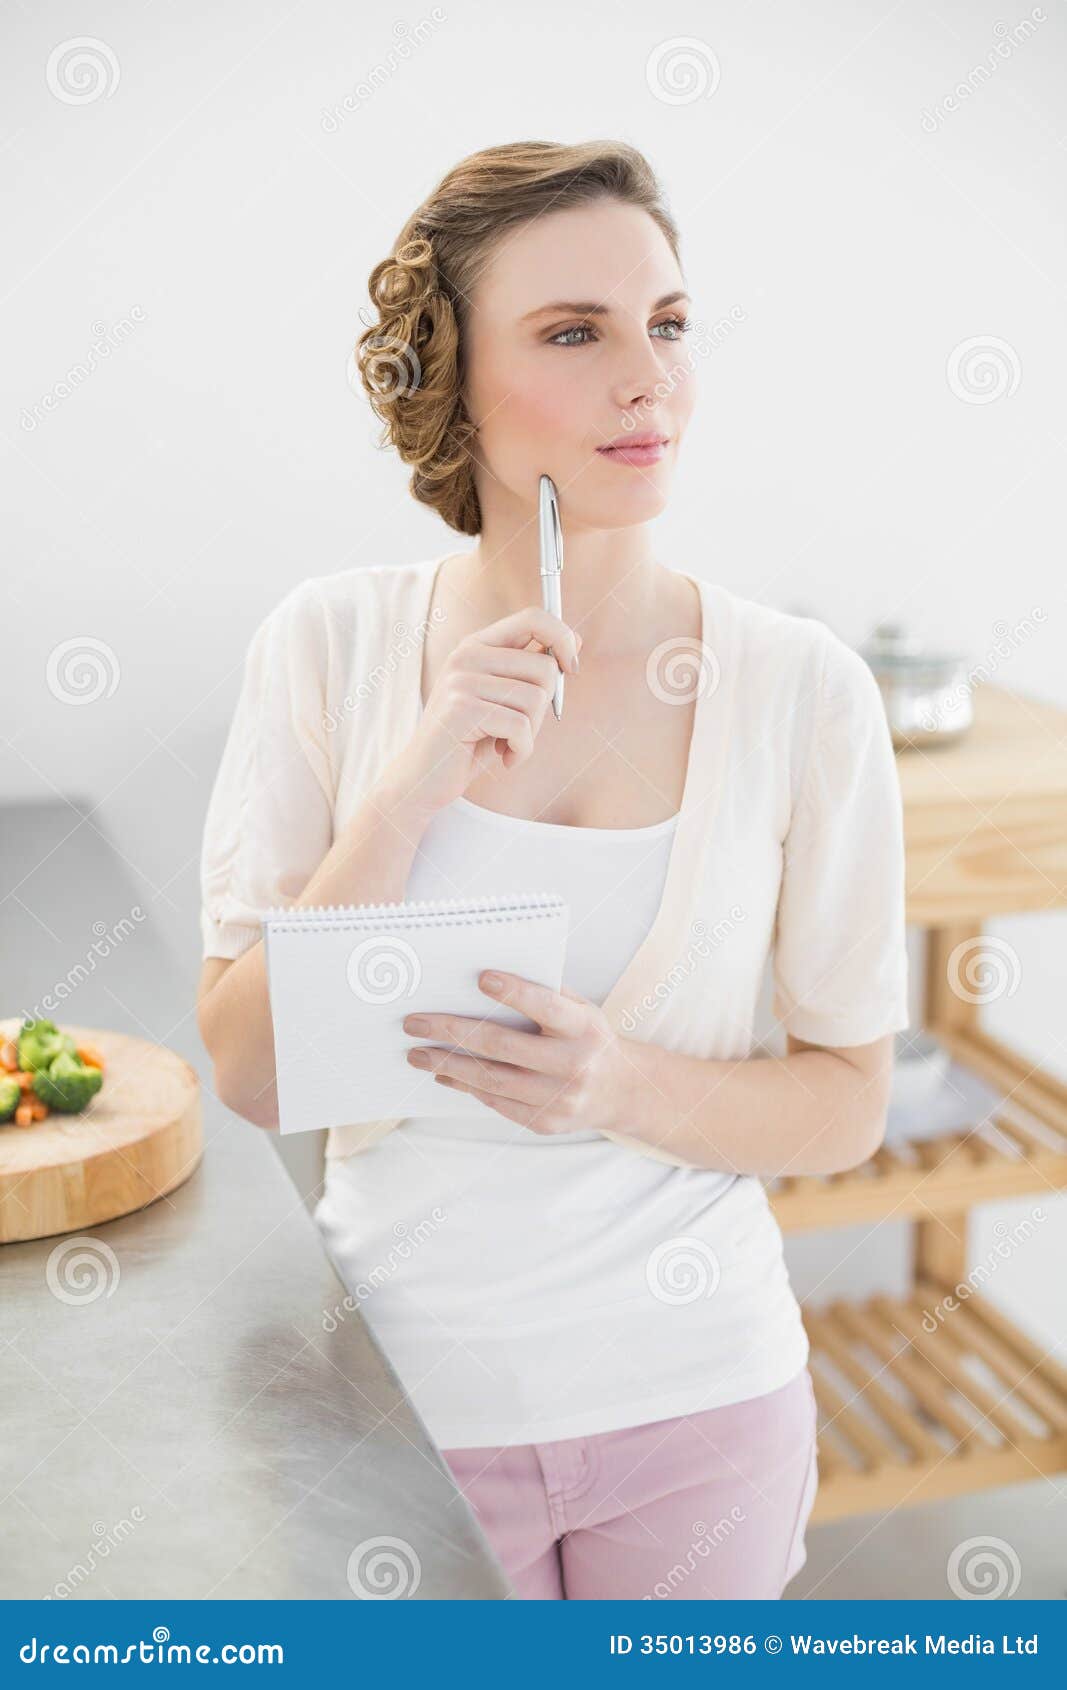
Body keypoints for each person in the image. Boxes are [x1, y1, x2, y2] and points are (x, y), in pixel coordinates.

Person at [197, 139, 910, 1600]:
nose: (647, 378)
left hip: (708, 1412)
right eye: (573, 334)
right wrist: (415, 776)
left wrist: (618, 1085)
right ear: (451, 381)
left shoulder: (803, 690)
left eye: (668, 323)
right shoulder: (327, 647)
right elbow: (257, 1073)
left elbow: (848, 1099)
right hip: (400, 1416)